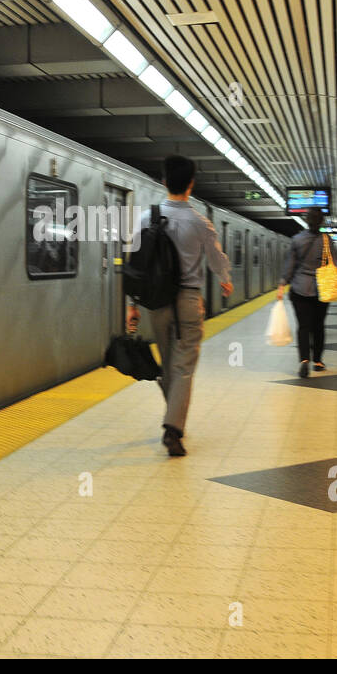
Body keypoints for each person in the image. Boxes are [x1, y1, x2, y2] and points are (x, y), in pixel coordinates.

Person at [126, 155, 233, 457]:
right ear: (191, 185)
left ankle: (172, 415)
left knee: (170, 363)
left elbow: (135, 265)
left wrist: (132, 304)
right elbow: (216, 259)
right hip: (188, 299)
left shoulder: (145, 219)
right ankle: (173, 429)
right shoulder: (200, 222)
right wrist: (225, 279)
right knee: (184, 367)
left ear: (164, 182)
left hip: (156, 302)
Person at [278, 207, 337, 378]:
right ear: (321, 221)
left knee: (303, 327)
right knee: (318, 326)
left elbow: (289, 266)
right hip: (321, 290)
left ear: (306, 220)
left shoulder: (296, 240)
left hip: (299, 289)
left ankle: (303, 361)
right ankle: (317, 361)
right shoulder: (327, 240)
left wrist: (281, 284)